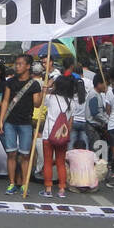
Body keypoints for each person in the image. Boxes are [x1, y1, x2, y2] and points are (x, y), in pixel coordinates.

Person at [0, 53, 43, 195]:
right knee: (11, 153)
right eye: (16, 64)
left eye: (20, 64)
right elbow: (5, 101)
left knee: (25, 155)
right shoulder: (10, 82)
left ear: (28, 66)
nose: (17, 66)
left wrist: (43, 92)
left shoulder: (34, 84)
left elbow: (37, 104)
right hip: (10, 122)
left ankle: (24, 184)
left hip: (25, 123)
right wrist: (1, 121)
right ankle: (12, 183)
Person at [40, 70, 78, 198]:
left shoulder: (50, 98)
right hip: (62, 135)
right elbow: (70, 122)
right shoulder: (72, 102)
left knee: (47, 162)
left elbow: (41, 100)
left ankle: (48, 189)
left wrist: (47, 87)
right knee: (61, 162)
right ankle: (62, 189)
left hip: (48, 134)